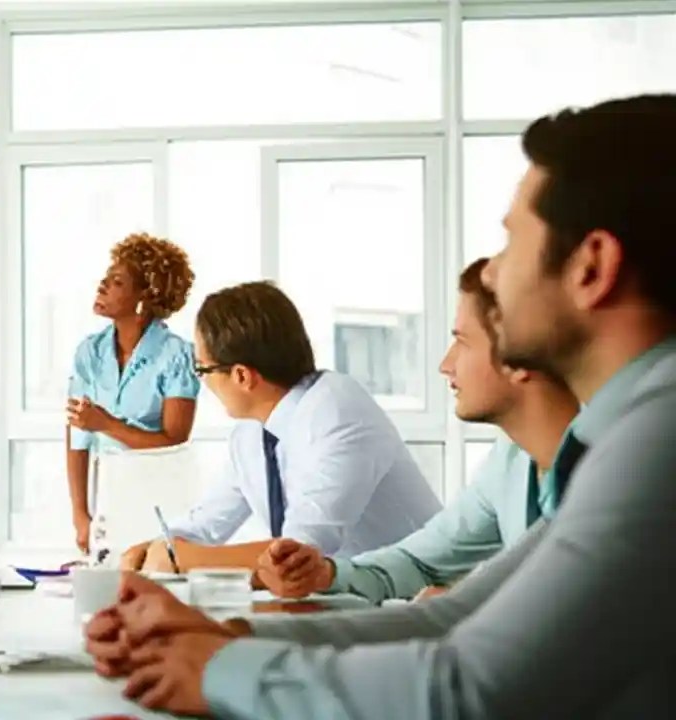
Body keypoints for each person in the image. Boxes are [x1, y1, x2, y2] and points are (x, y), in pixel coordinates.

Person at [85, 93, 676, 719]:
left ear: (593, 267)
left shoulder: (658, 442)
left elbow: (466, 687)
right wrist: (230, 639)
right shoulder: (624, 434)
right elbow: (455, 617)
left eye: (512, 245)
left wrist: (219, 669)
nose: (493, 276)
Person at [255, 257, 580, 601]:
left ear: (520, 351)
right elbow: (418, 562)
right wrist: (325, 573)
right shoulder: (510, 461)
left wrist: (465, 608)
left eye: (463, 341)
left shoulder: (619, 464)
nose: (445, 365)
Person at [121, 281, 441, 572]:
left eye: (201, 369)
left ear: (242, 376)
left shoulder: (338, 409)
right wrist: (153, 548)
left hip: (422, 600)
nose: (200, 380)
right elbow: (207, 523)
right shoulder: (251, 433)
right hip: (349, 600)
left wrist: (179, 560)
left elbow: (300, 550)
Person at [66, 233, 199, 553]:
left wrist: (107, 424)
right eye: (105, 278)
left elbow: (174, 440)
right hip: (107, 492)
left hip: (159, 494)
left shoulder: (176, 355)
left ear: (145, 296)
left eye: (116, 282)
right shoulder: (89, 352)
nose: (102, 286)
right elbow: (78, 437)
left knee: (155, 578)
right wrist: (80, 514)